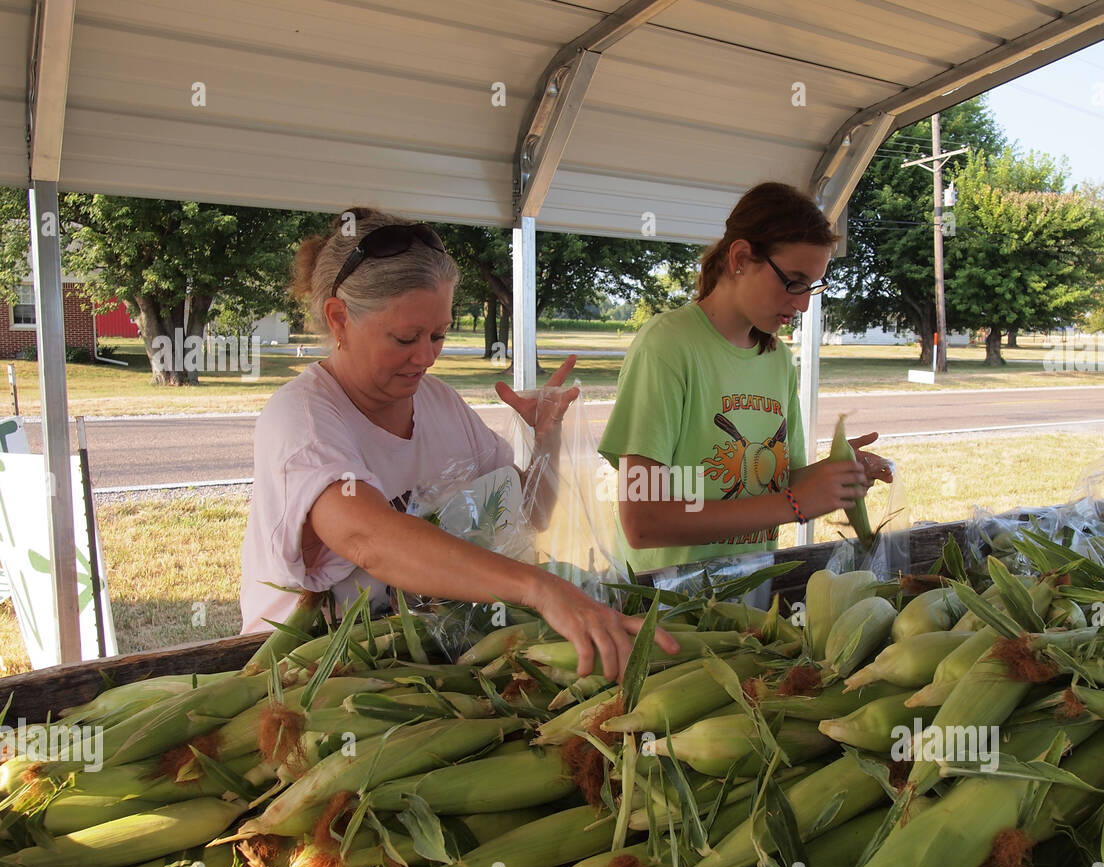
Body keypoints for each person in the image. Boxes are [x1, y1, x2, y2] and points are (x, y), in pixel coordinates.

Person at [239, 207, 676, 679]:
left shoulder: (439, 403)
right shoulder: (302, 418)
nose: (426, 357)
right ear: (339, 319)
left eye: (439, 335)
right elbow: (367, 538)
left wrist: (545, 441)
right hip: (309, 677)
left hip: (419, 663)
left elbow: (527, 514)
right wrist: (541, 589)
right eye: (406, 338)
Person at [597, 182, 892, 573]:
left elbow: (778, 481)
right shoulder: (667, 347)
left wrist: (834, 474)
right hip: (668, 611)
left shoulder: (778, 359)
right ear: (740, 257)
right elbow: (643, 522)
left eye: (813, 286)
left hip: (748, 602)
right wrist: (795, 505)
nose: (803, 303)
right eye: (793, 280)